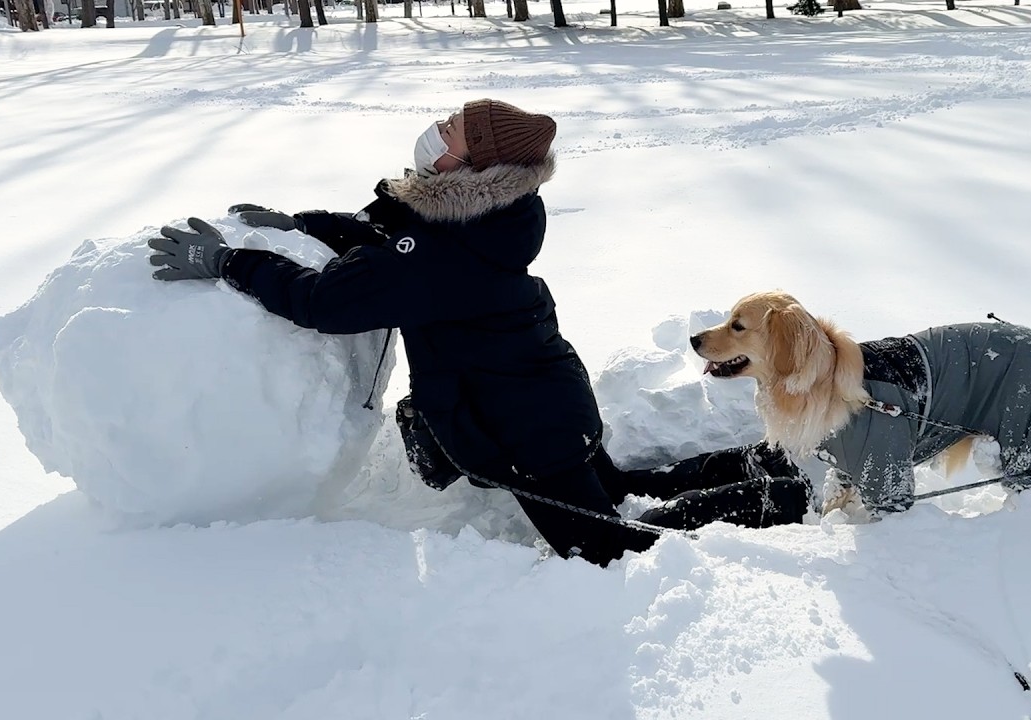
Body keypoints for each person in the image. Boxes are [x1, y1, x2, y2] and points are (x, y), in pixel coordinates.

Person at [146, 99, 811, 565]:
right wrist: (306, 223)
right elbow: (391, 237)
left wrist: (231, 262)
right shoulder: (490, 214)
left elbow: (326, 301)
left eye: (452, 131)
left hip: (526, 430)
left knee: (610, 547)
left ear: (471, 166)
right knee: (614, 487)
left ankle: (781, 498)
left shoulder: (437, 251)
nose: (437, 131)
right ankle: (775, 467)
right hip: (549, 399)